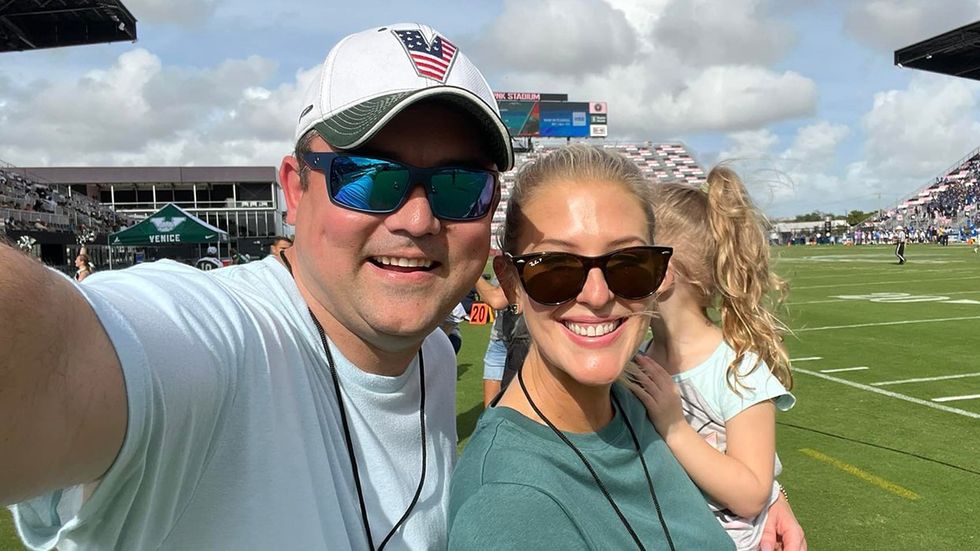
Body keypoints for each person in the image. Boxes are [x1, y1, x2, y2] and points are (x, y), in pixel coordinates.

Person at [1, 23, 513, 550]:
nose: (419, 220)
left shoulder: (433, 355)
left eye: (461, 187)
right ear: (295, 189)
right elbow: (52, 350)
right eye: (369, 177)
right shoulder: (222, 343)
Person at [448, 144, 736, 549]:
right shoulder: (509, 505)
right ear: (511, 284)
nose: (598, 295)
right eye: (556, 268)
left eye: (629, 264)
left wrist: (766, 503)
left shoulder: (641, 398)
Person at [627, 167, 799, 551]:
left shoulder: (739, 369)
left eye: (629, 260)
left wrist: (674, 426)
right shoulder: (638, 359)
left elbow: (752, 494)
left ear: (662, 273)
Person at [474, 274, 510, 405]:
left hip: (525, 344)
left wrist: (474, 273)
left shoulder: (523, 266)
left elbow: (497, 300)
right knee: (491, 410)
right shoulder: (503, 266)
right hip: (499, 339)